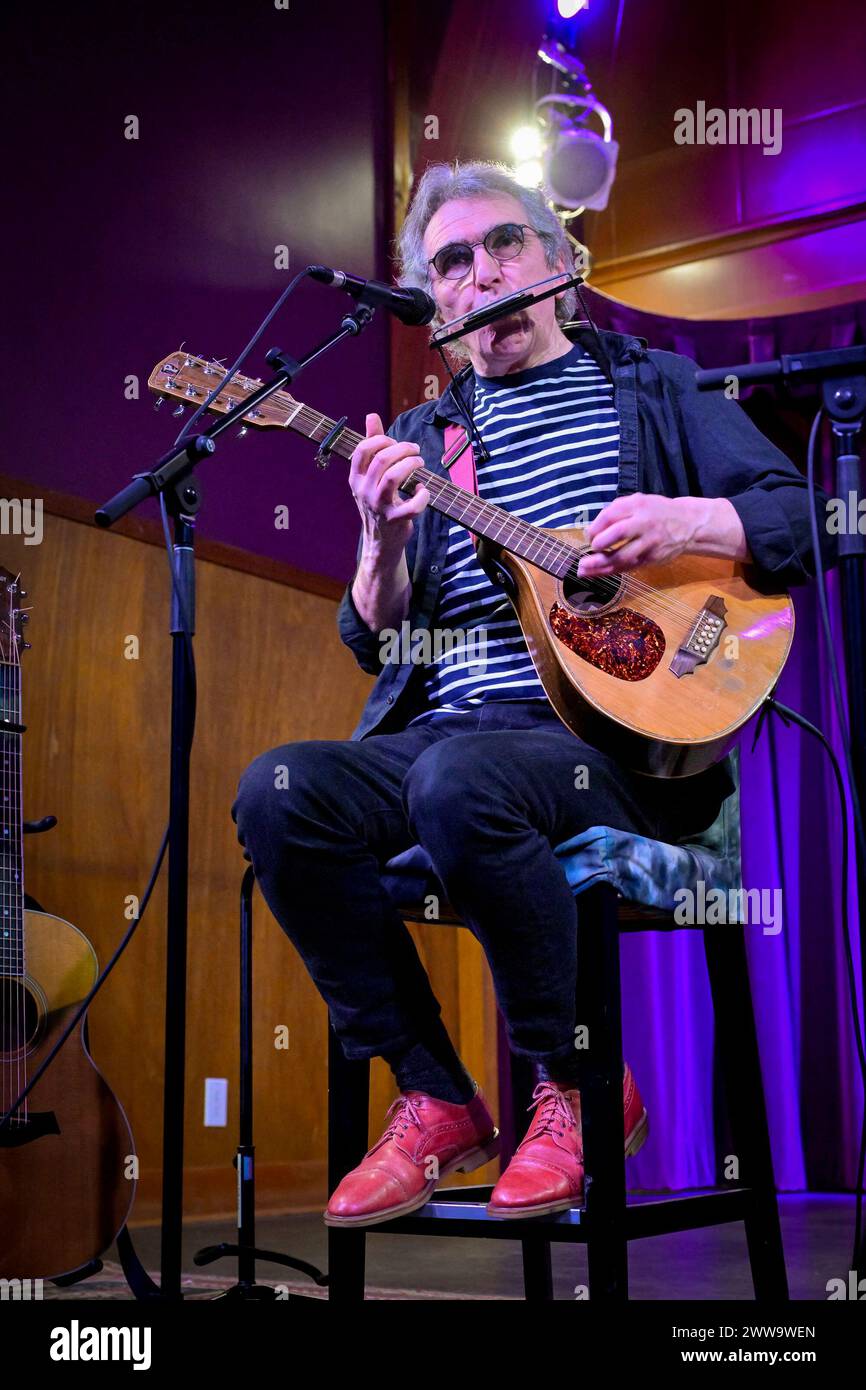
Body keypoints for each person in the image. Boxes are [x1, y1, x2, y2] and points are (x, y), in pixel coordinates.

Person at [232, 160, 834, 1226]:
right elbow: (372, 644)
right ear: (434, 303)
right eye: (452, 263)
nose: (481, 274)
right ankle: (433, 1094)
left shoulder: (646, 385)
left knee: (461, 783)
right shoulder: (423, 442)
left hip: (612, 747)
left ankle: (573, 1082)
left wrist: (689, 523)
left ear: (558, 264)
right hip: (445, 740)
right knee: (279, 792)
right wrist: (378, 543)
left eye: (504, 244)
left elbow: (800, 517)